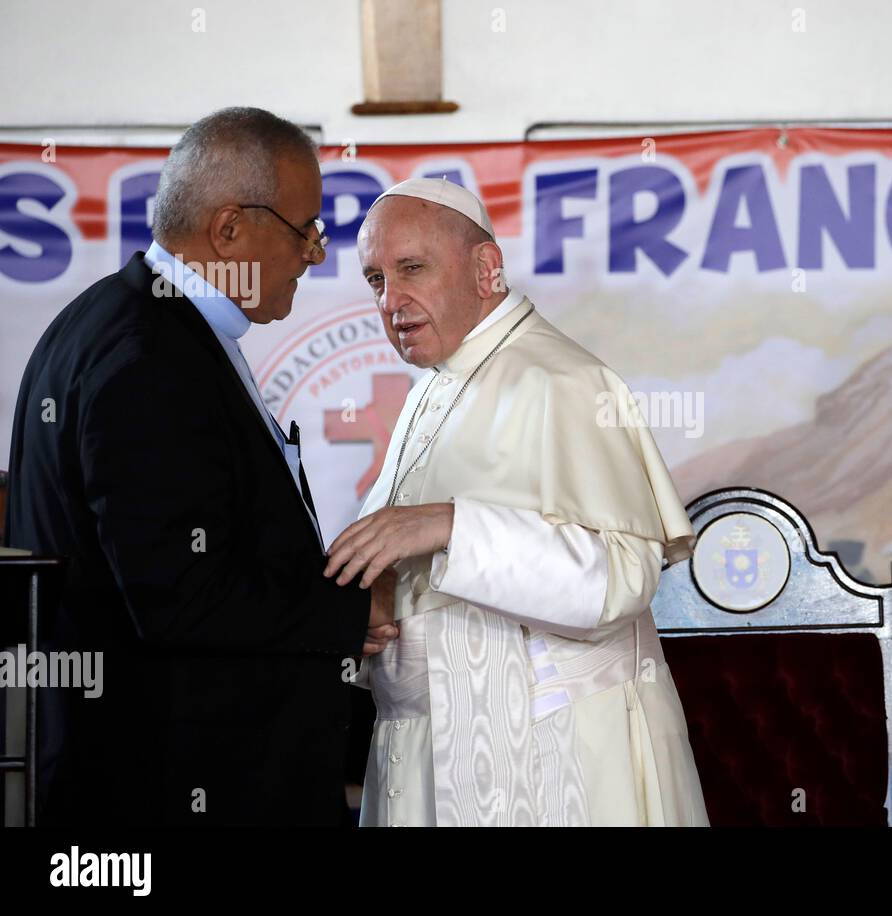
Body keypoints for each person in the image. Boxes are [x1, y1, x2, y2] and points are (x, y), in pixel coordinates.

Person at [4, 107, 395, 826]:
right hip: (168, 790)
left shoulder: (128, 322)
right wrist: (350, 609)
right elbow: (181, 595)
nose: (315, 255)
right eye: (304, 230)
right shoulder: (148, 357)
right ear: (228, 230)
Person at [324, 177, 710, 826]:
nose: (391, 300)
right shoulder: (432, 389)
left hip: (549, 765)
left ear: (486, 270)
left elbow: (620, 580)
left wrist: (451, 525)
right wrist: (370, 610)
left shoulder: (566, 380)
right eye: (375, 280)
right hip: (426, 752)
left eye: (412, 268)